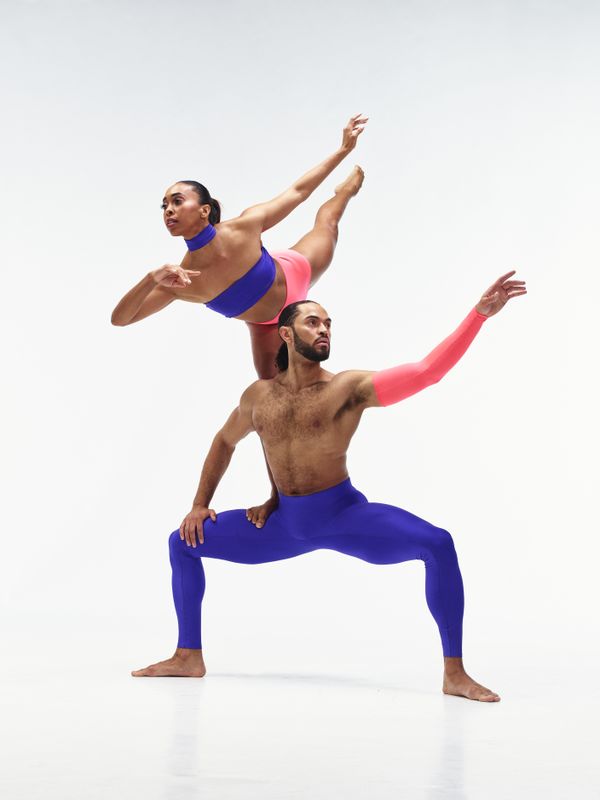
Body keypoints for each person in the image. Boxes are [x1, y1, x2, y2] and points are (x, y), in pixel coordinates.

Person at [132, 271, 527, 701]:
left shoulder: (347, 388)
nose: (324, 330)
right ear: (286, 334)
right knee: (183, 542)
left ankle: (455, 673)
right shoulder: (258, 397)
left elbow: (426, 372)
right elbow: (225, 441)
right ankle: (188, 656)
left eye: (328, 324)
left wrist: (478, 316)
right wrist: (201, 504)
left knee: (437, 543)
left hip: (343, 517)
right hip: (284, 524)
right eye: (313, 322)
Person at [111, 114, 367, 378]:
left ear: (204, 210)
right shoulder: (181, 281)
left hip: (295, 273)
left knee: (328, 224)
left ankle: (344, 193)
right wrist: (150, 279)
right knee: (271, 389)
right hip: (265, 325)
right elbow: (120, 319)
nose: (168, 210)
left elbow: (298, 192)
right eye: (164, 205)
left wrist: (343, 150)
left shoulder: (244, 227)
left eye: (177, 201)